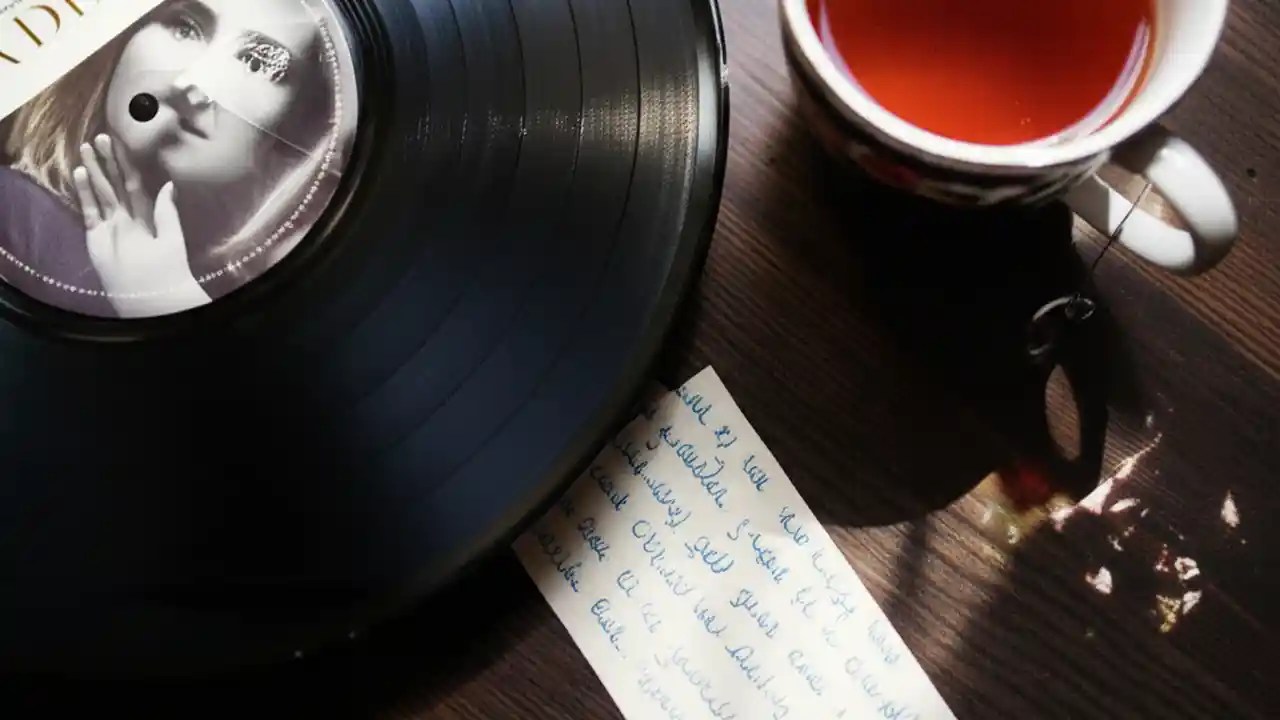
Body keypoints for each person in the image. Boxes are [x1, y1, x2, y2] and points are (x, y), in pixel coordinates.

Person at [0, 0, 349, 319]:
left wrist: (165, 299)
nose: (189, 84)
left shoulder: (294, 296)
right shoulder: (13, 214)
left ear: (303, 124)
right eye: (185, 27)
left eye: (257, 63)